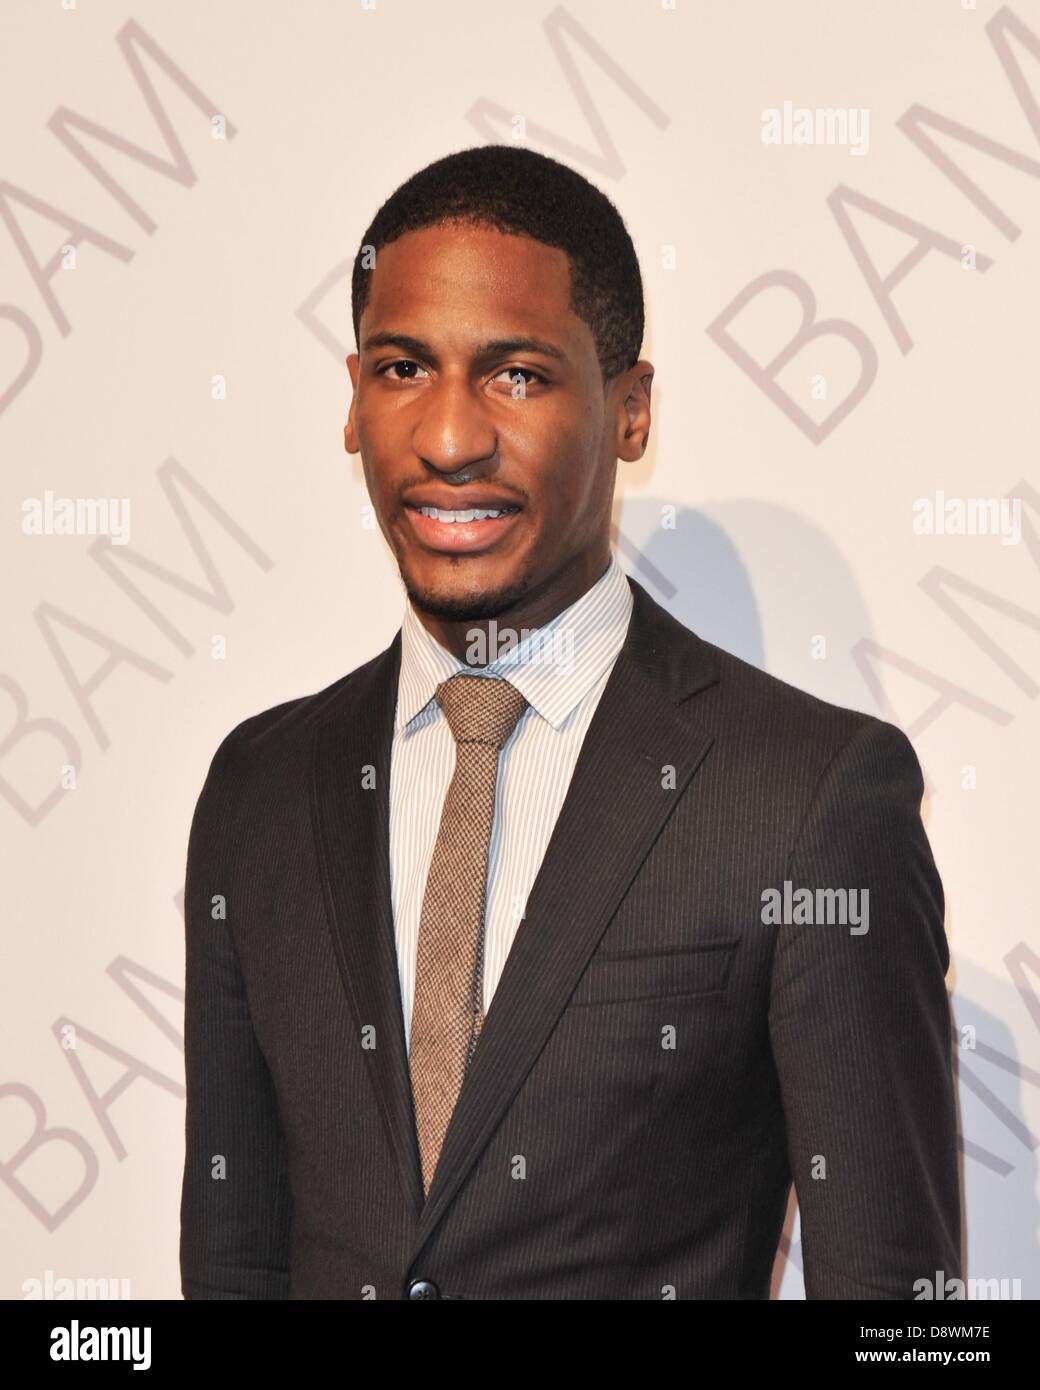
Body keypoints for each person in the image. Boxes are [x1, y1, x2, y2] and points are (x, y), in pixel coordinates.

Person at [179, 144, 961, 1300]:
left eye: (516, 377)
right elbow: (235, 1256)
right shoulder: (260, 784)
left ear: (630, 410)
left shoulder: (805, 796)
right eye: (402, 368)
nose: (448, 439)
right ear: (353, 400)